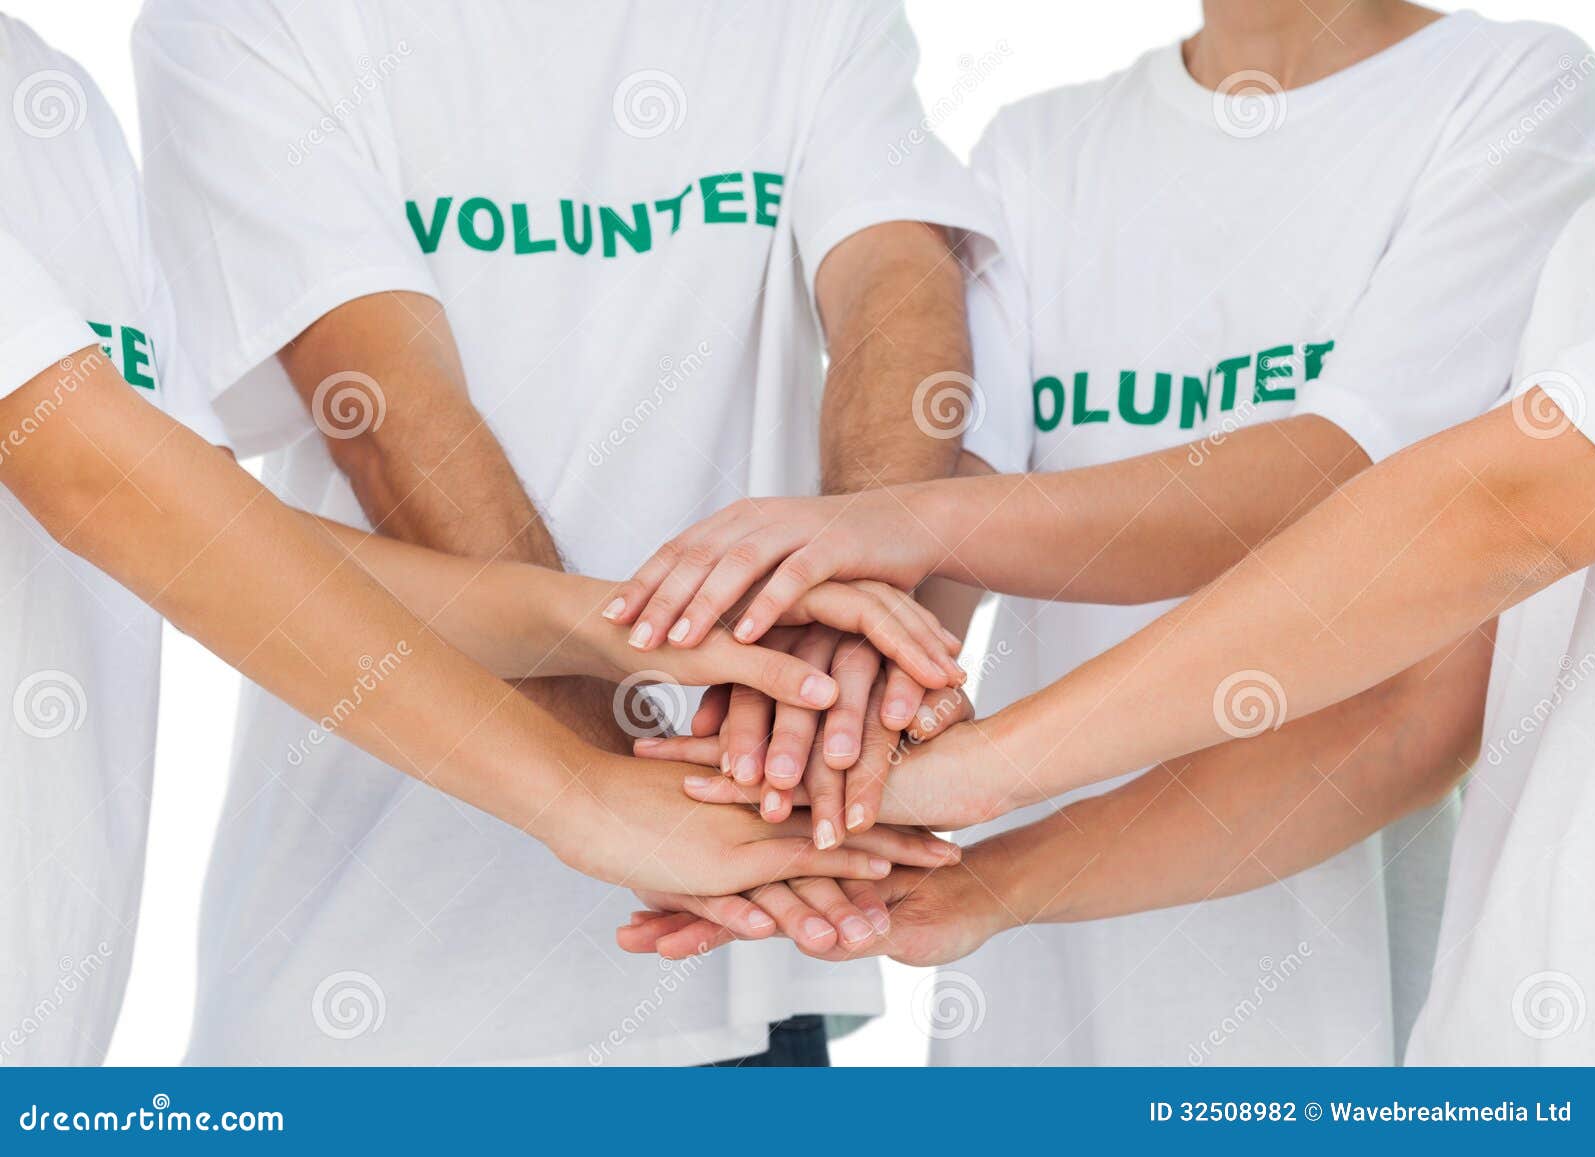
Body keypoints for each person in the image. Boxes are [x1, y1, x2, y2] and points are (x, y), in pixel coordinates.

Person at [616, 1, 1595, 1063]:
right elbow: (934, 555)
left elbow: (1350, 479)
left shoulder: (1515, 86)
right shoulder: (1037, 145)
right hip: (1027, 961)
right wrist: (824, 739)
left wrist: (898, 562)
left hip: (1321, 976)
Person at [0, 13, 958, 1067]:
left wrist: (709, 645)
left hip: (735, 976)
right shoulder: (239, 26)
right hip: (378, 1001)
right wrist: (614, 784)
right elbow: (120, 471)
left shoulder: (53, 112)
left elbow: (213, 520)